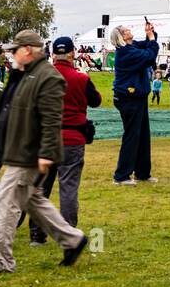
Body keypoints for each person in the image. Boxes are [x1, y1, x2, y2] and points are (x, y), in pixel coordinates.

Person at [0, 31, 87, 274]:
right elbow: (12, 106)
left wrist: (45, 152)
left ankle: (1, 260)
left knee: (6, 204)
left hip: (29, 154)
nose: (11, 54)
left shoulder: (48, 77)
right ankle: (73, 240)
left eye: (15, 49)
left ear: (29, 49)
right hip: (19, 151)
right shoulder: (26, 74)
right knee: (33, 201)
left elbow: (52, 118)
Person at [29, 37, 102, 236]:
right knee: (68, 188)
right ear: (72, 53)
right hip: (72, 138)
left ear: (53, 55)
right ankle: (68, 233)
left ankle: (37, 232)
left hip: (46, 138)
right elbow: (96, 101)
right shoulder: (80, 78)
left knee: (41, 187)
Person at [111, 22, 159, 185]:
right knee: (132, 135)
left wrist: (150, 34)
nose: (129, 31)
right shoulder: (126, 53)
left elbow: (147, 45)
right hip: (129, 98)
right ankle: (121, 175)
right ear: (122, 37)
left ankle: (142, 172)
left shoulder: (131, 47)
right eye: (126, 31)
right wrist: (151, 39)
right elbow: (150, 56)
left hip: (137, 96)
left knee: (143, 134)